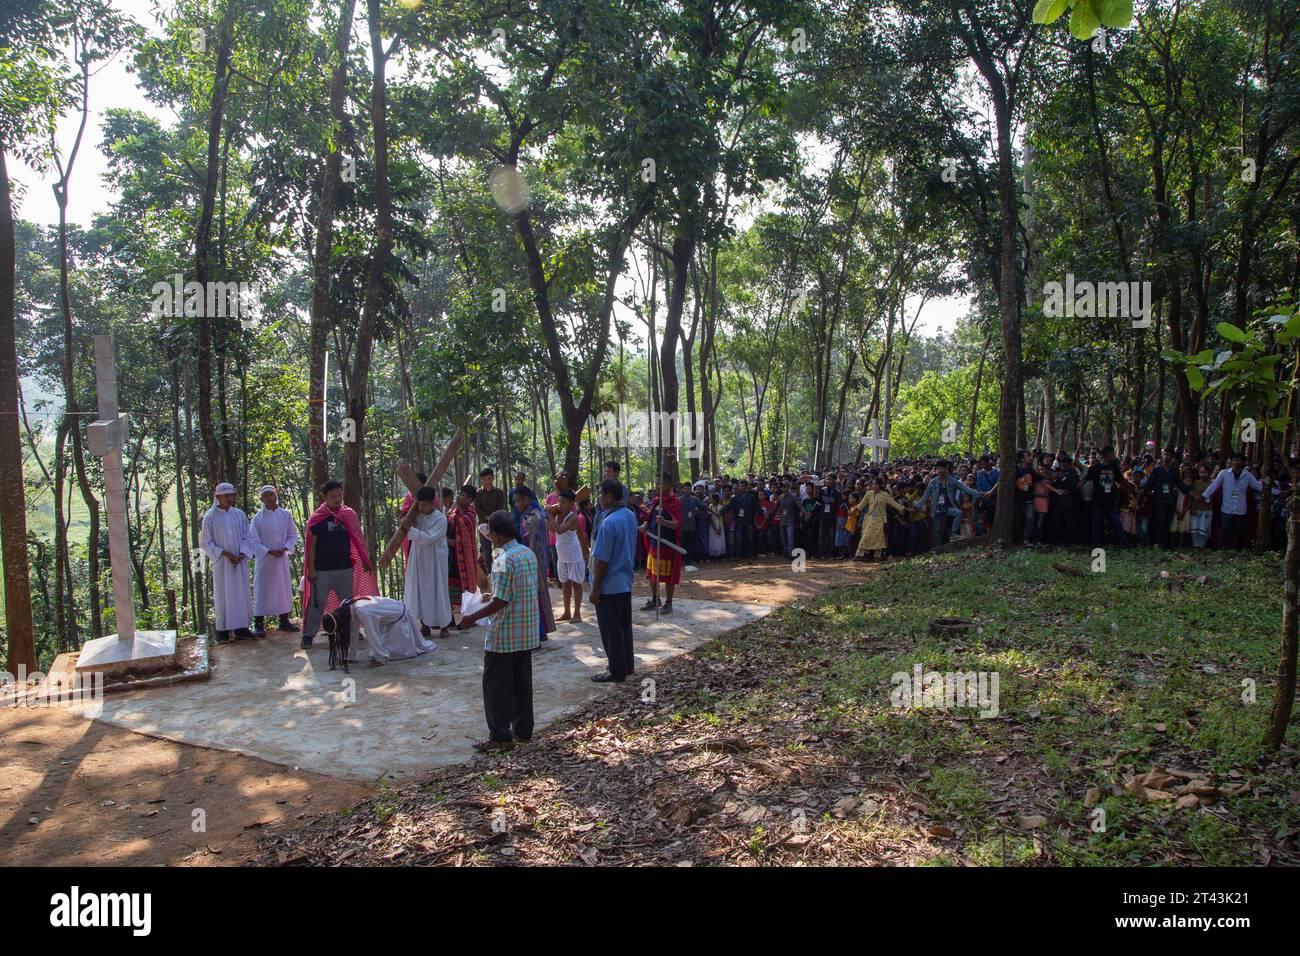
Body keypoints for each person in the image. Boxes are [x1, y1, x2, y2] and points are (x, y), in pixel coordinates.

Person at [458, 511, 539, 752]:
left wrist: (471, 617)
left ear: (496, 534)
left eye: (490, 534)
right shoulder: (527, 553)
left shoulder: (503, 559)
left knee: (495, 686)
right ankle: (524, 730)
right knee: (521, 683)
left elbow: (500, 602)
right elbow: (517, 588)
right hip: (526, 630)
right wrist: (492, 595)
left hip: (505, 634)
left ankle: (500, 736)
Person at [302, 480, 376, 650]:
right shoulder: (317, 519)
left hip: (344, 568)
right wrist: (311, 570)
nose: (337, 499)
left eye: (339, 495)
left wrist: (365, 561)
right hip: (322, 571)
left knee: (348, 604)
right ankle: (308, 635)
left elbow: (358, 539)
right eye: (333, 496)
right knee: (317, 603)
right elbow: (311, 546)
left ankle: (352, 631)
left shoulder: (348, 515)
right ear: (324, 497)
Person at [589, 478, 637, 682]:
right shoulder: (629, 515)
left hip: (609, 585)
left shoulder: (608, 522)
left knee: (611, 630)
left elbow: (602, 560)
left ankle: (616, 670)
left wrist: (595, 588)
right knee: (623, 626)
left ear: (609, 497)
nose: (599, 499)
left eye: (600, 495)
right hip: (624, 581)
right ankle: (626, 665)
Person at [200, 482, 257, 643]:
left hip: (240, 561)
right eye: (226, 495)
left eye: (232, 495)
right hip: (223, 564)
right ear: (218, 496)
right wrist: (225, 554)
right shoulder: (210, 517)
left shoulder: (239, 514)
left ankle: (241, 628)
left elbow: (248, 536)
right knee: (223, 594)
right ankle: (223, 631)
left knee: (242, 592)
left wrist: (242, 553)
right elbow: (206, 542)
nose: (230, 498)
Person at [325, 596, 435, 669]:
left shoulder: (363, 612)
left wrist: (381, 658)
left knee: (392, 653)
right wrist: (348, 656)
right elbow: (353, 630)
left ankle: (383, 655)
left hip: (400, 617)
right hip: (388, 621)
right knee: (374, 651)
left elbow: (372, 634)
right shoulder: (345, 606)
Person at [401, 487, 452, 638]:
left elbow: (428, 538)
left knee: (439, 591)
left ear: (433, 503)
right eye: (420, 505)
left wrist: (410, 528)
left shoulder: (440, 519)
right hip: (419, 558)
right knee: (421, 591)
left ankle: (444, 627)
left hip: (435, 560)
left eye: (425, 505)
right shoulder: (418, 516)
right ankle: (425, 626)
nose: (422, 508)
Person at [249, 485, 298, 634]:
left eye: (272, 494)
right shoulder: (257, 519)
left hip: (281, 559)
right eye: (267, 496)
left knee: (282, 588)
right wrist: (269, 551)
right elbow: (253, 540)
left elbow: (292, 535)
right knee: (262, 589)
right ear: (262, 499)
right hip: (265, 560)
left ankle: (284, 620)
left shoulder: (286, 515)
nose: (270, 498)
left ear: (276, 495)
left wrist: (284, 548)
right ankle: (258, 624)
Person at [513, 485, 557, 641]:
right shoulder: (530, 513)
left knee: (534, 595)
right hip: (534, 559)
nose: (517, 505)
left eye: (518, 502)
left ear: (526, 499)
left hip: (534, 561)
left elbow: (524, 534)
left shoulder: (533, 516)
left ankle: (538, 632)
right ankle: (540, 631)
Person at [1203, 452, 1261, 549]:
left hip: (1240, 507)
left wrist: (1277, 491)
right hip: (1227, 507)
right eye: (1234, 460)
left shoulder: (1247, 475)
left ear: (1242, 462)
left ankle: (1233, 548)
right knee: (1224, 529)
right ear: (1231, 461)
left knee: (1237, 530)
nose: (1236, 462)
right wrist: (1204, 495)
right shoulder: (1224, 473)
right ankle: (1220, 548)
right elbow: (1214, 485)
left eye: (1238, 460)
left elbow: (1258, 487)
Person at [643, 471, 682, 613]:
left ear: (669, 484)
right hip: (654, 544)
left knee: (667, 576)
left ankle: (669, 602)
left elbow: (677, 524)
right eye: (656, 482)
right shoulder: (655, 501)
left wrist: (664, 522)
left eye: (660, 483)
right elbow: (650, 518)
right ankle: (655, 599)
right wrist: (645, 525)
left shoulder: (675, 502)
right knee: (653, 574)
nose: (656, 485)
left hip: (667, 545)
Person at [549, 489, 589, 623]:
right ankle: (566, 612)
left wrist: (549, 516)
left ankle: (577, 614)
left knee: (576, 584)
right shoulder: (556, 515)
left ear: (571, 503)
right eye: (559, 501)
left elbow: (559, 530)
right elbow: (552, 530)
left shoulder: (573, 517)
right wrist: (549, 516)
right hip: (562, 556)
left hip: (573, 555)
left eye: (563, 502)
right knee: (565, 584)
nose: (559, 504)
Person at [1084, 446, 1130, 548]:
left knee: (1116, 523)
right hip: (1097, 502)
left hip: (1111, 501)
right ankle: (1096, 544)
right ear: (1106, 455)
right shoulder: (1095, 468)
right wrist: (1074, 488)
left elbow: (1121, 481)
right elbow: (1085, 479)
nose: (1113, 455)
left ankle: (1125, 543)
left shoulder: (1114, 467)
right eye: (1111, 453)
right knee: (1097, 524)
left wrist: (1130, 487)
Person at [447, 484, 481, 606]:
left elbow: (464, 541)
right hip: (452, 557)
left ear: (469, 500)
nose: (458, 497)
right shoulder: (453, 514)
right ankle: (452, 616)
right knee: (451, 584)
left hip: (465, 558)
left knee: (467, 589)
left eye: (462, 495)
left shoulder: (469, 516)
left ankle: (469, 614)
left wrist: (447, 542)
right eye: (459, 493)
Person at [855, 478, 904, 561]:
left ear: (880, 485)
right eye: (873, 484)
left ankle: (877, 556)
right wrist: (852, 511)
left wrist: (904, 509)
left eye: (876, 484)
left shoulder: (884, 495)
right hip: (869, 520)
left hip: (880, 520)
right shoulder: (868, 494)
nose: (874, 486)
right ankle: (859, 555)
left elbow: (894, 503)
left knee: (879, 538)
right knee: (866, 536)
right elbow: (861, 506)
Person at [474, 468, 507, 571]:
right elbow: (477, 509)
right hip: (484, 525)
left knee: (498, 547)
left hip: (497, 524)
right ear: (481, 481)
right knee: (486, 549)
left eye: (488, 479)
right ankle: (490, 573)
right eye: (484, 480)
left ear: (492, 478)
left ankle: (500, 571)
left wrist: (493, 518)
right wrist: (487, 517)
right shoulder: (478, 493)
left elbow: (501, 507)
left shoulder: (499, 492)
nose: (486, 482)